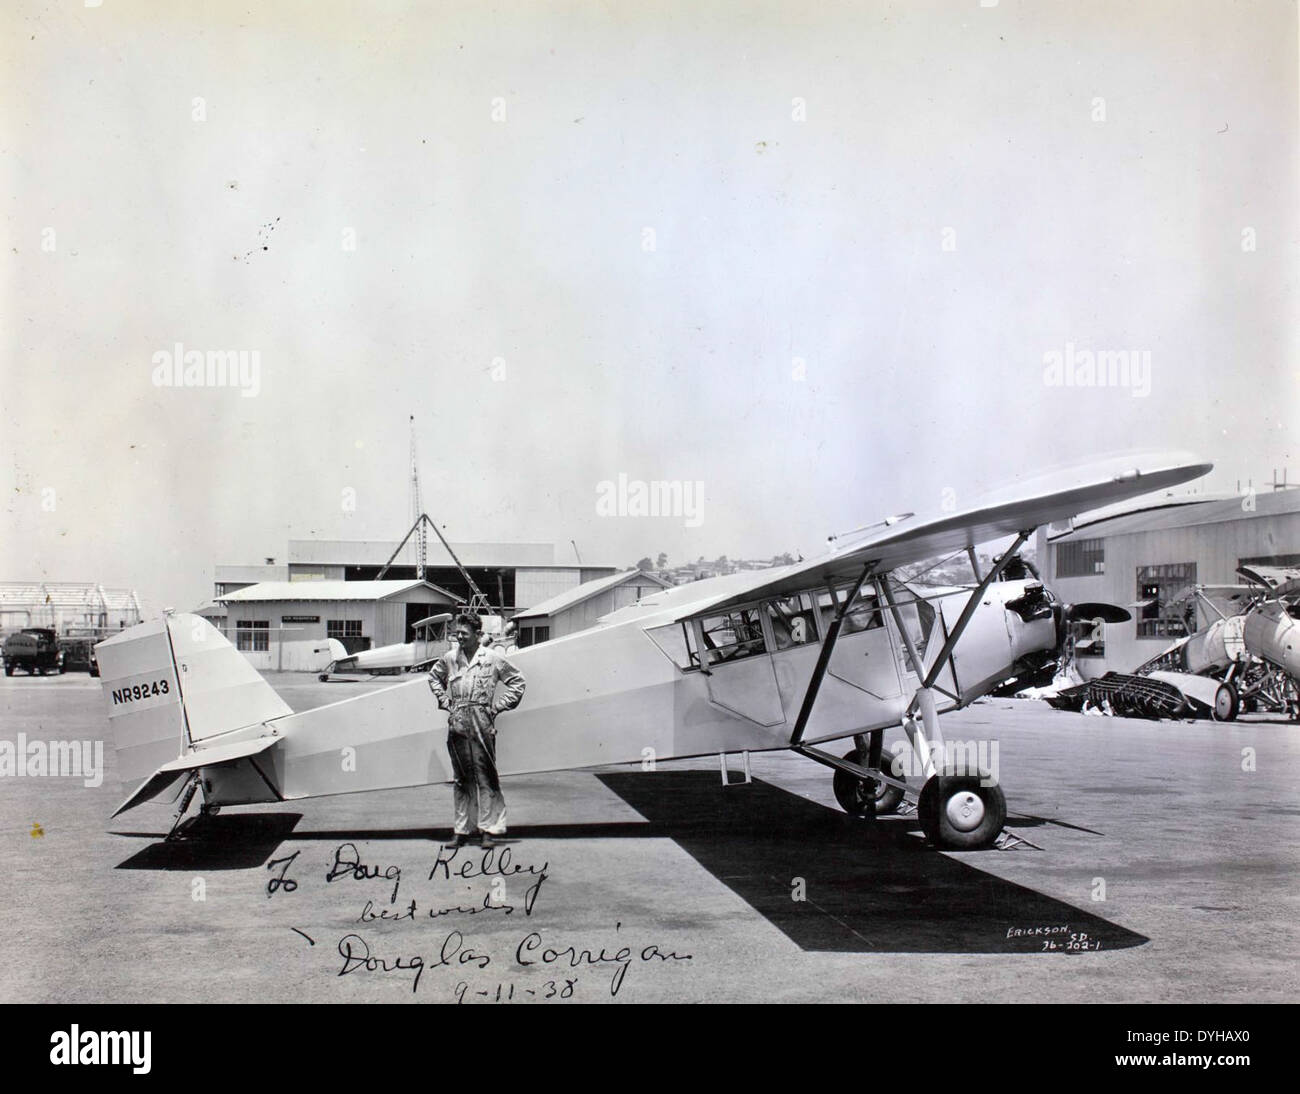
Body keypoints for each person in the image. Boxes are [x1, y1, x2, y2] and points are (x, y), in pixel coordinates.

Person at [428, 613, 526, 848]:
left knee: (486, 776)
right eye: (457, 633)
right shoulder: (450, 658)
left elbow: (518, 682)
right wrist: (446, 702)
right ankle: (461, 831)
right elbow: (434, 678)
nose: (459, 637)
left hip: (482, 719)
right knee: (461, 779)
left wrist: (498, 707)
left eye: (464, 633)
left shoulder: (492, 658)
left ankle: (488, 831)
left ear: (477, 635)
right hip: (458, 720)